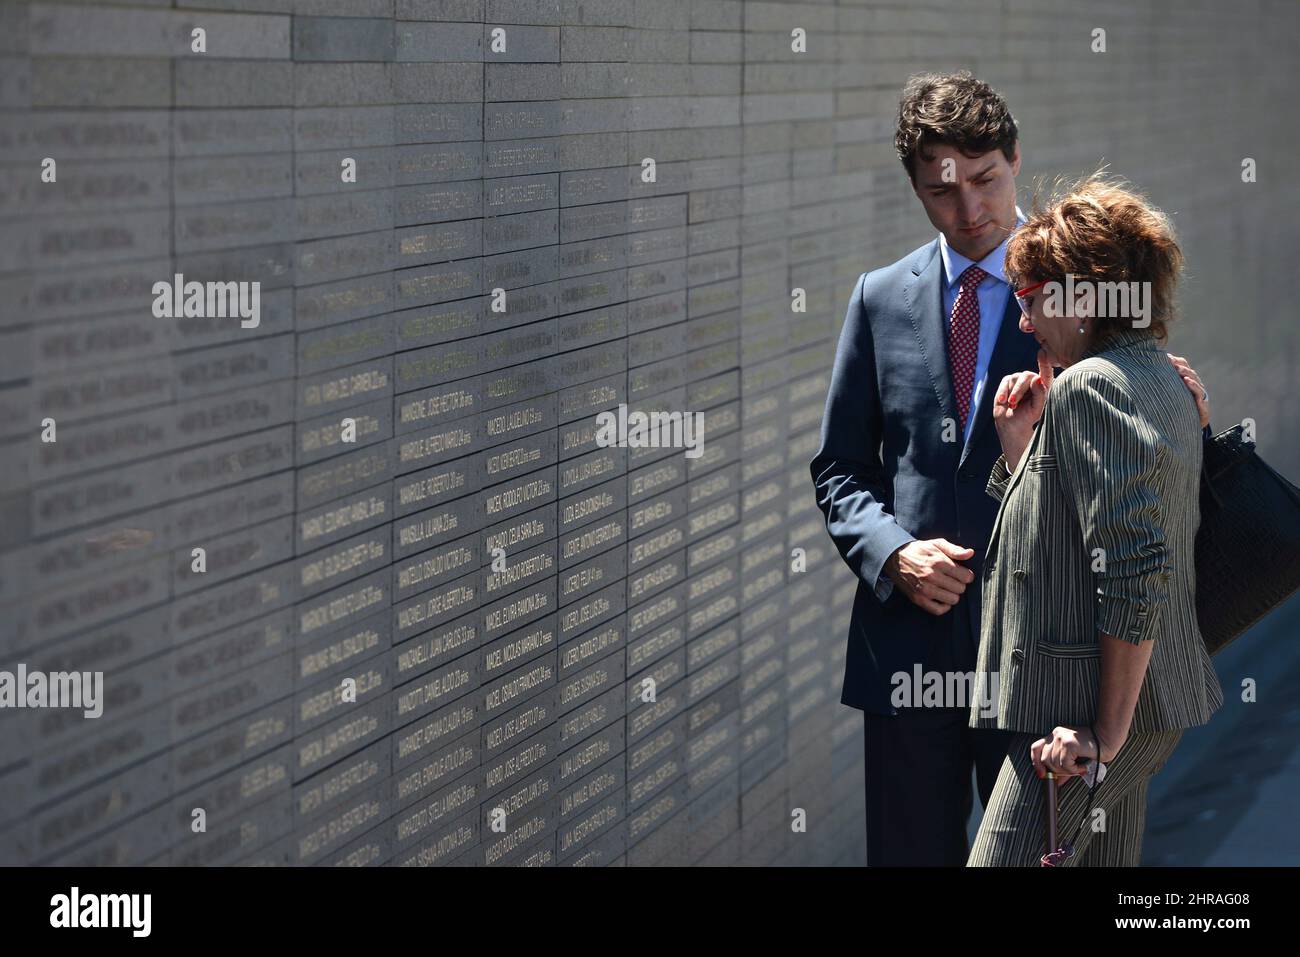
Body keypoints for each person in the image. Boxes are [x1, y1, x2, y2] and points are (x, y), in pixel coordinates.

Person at [810, 71, 1213, 866]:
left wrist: (1189, 416)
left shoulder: (1085, 291)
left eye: (987, 180)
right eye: (942, 192)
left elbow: (1139, 484)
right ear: (918, 190)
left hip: (1043, 657)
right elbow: (839, 466)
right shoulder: (880, 296)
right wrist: (891, 550)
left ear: (1016, 158)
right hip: (910, 653)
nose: (970, 210)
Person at [966, 173, 1223, 866]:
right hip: (1137, 704)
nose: (1023, 322)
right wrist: (1023, 453)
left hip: (1082, 722)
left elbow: (1135, 562)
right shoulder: (1161, 375)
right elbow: (1080, 541)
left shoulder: (1089, 386)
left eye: (1029, 299)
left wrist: (1102, 737)